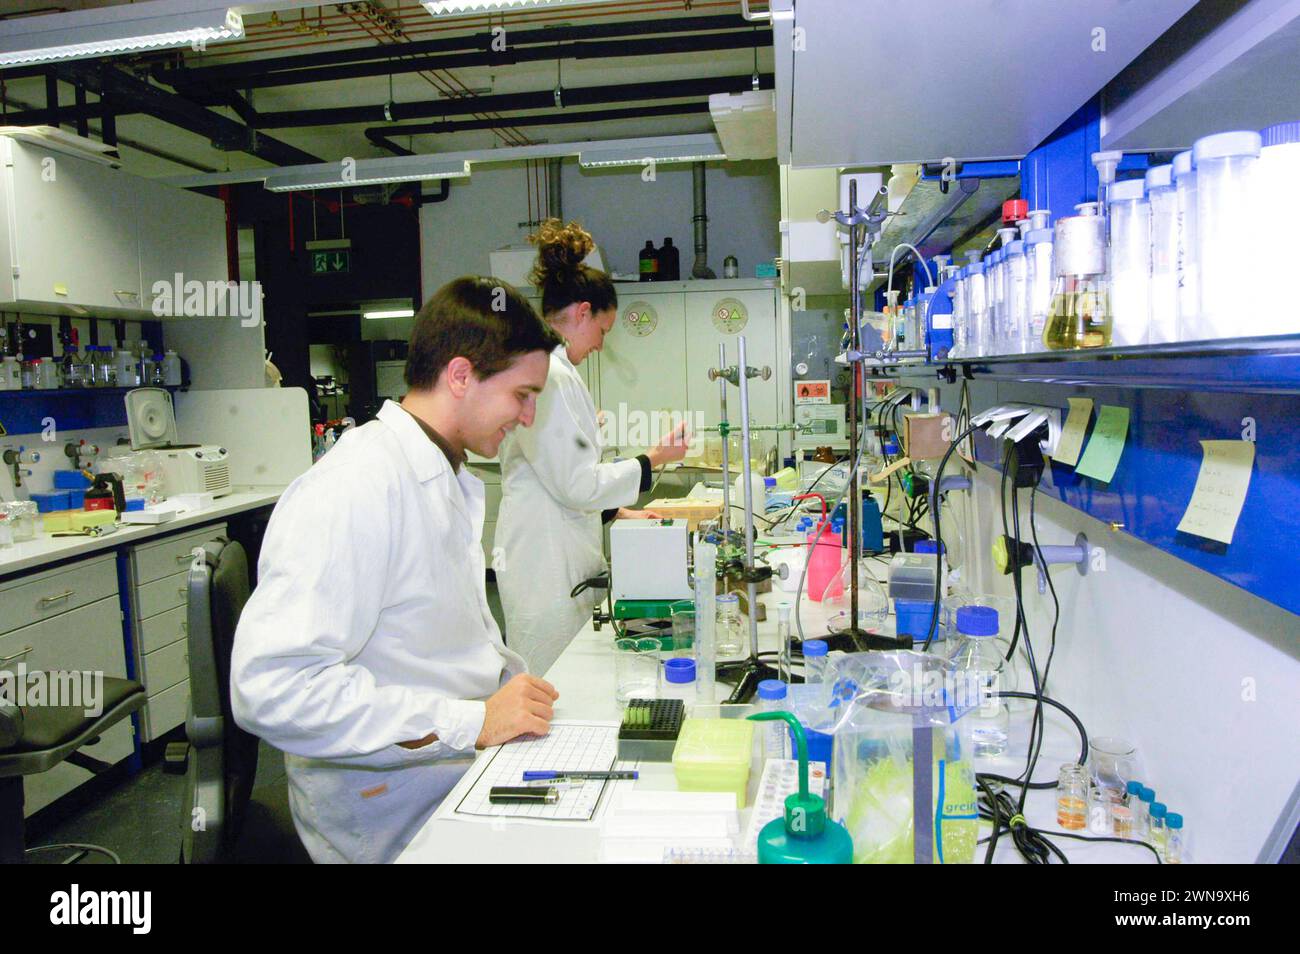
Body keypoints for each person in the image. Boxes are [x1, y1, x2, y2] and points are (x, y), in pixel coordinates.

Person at [231, 277, 564, 864]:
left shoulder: (443, 471)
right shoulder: (354, 486)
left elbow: (426, 639)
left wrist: (505, 686)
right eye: (523, 394)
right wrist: (472, 721)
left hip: (446, 776)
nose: (529, 416)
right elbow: (272, 691)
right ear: (460, 376)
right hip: (387, 816)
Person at [495, 220, 690, 674]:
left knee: (567, 677)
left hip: (557, 550)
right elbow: (577, 485)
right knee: (548, 683)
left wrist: (619, 512)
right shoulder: (551, 374)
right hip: (544, 563)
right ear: (582, 313)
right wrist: (653, 459)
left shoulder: (556, 371)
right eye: (603, 329)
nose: (602, 345)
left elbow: (562, 477)